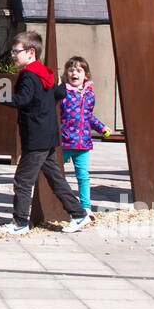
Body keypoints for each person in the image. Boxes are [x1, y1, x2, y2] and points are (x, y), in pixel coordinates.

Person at [0, 31, 92, 234]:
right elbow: (56, 94)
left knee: (23, 180)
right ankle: (78, 214)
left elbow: (23, 99)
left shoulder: (29, 75)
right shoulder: (46, 73)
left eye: (17, 51)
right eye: (13, 51)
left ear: (31, 52)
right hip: (48, 135)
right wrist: (59, 88)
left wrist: (0, 97)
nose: (13, 55)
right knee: (55, 179)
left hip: (36, 137)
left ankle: (20, 223)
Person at [55, 56, 107, 217]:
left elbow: (88, 116)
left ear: (86, 75)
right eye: (71, 70)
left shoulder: (89, 95)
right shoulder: (63, 92)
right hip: (64, 142)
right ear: (66, 74)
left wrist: (101, 127)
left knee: (83, 176)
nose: (74, 73)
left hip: (82, 144)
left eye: (79, 70)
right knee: (56, 175)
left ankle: (86, 206)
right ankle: (58, 203)